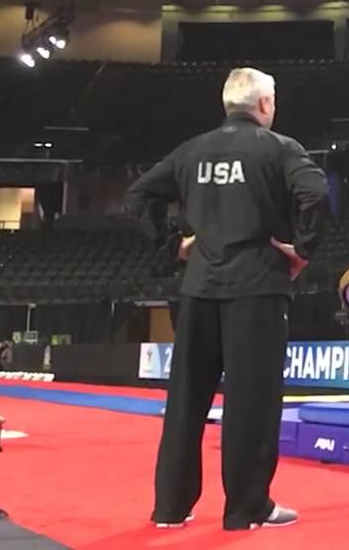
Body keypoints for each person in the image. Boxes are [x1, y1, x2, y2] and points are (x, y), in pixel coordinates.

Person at [124, 67, 328, 530]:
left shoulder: (192, 151)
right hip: (256, 288)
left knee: (185, 401)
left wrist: (173, 243)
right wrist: (303, 250)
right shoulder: (280, 149)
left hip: (198, 289)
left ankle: (171, 507)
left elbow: (138, 196)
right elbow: (315, 192)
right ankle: (246, 508)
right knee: (250, 402)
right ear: (263, 106)